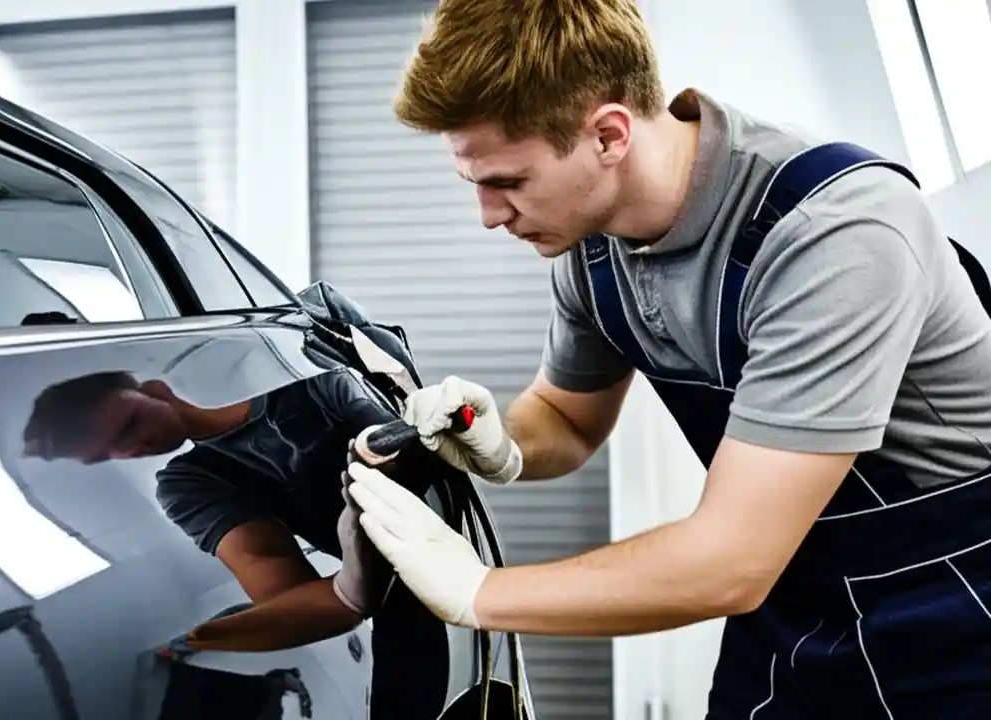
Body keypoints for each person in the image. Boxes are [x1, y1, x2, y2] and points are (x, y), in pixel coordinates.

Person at [343, 0, 991, 717]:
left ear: (609, 135)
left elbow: (732, 560)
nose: (490, 215)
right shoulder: (593, 249)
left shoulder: (830, 234)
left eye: (510, 182)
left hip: (957, 610)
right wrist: (501, 444)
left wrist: (480, 592)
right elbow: (568, 417)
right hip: (792, 603)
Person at [22, 368, 453, 718]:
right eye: (106, 455)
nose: (132, 447)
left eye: (130, 423)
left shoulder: (314, 382)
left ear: (155, 388)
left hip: (450, 553)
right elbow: (292, 597)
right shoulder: (189, 483)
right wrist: (350, 587)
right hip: (407, 604)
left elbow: (412, 457)